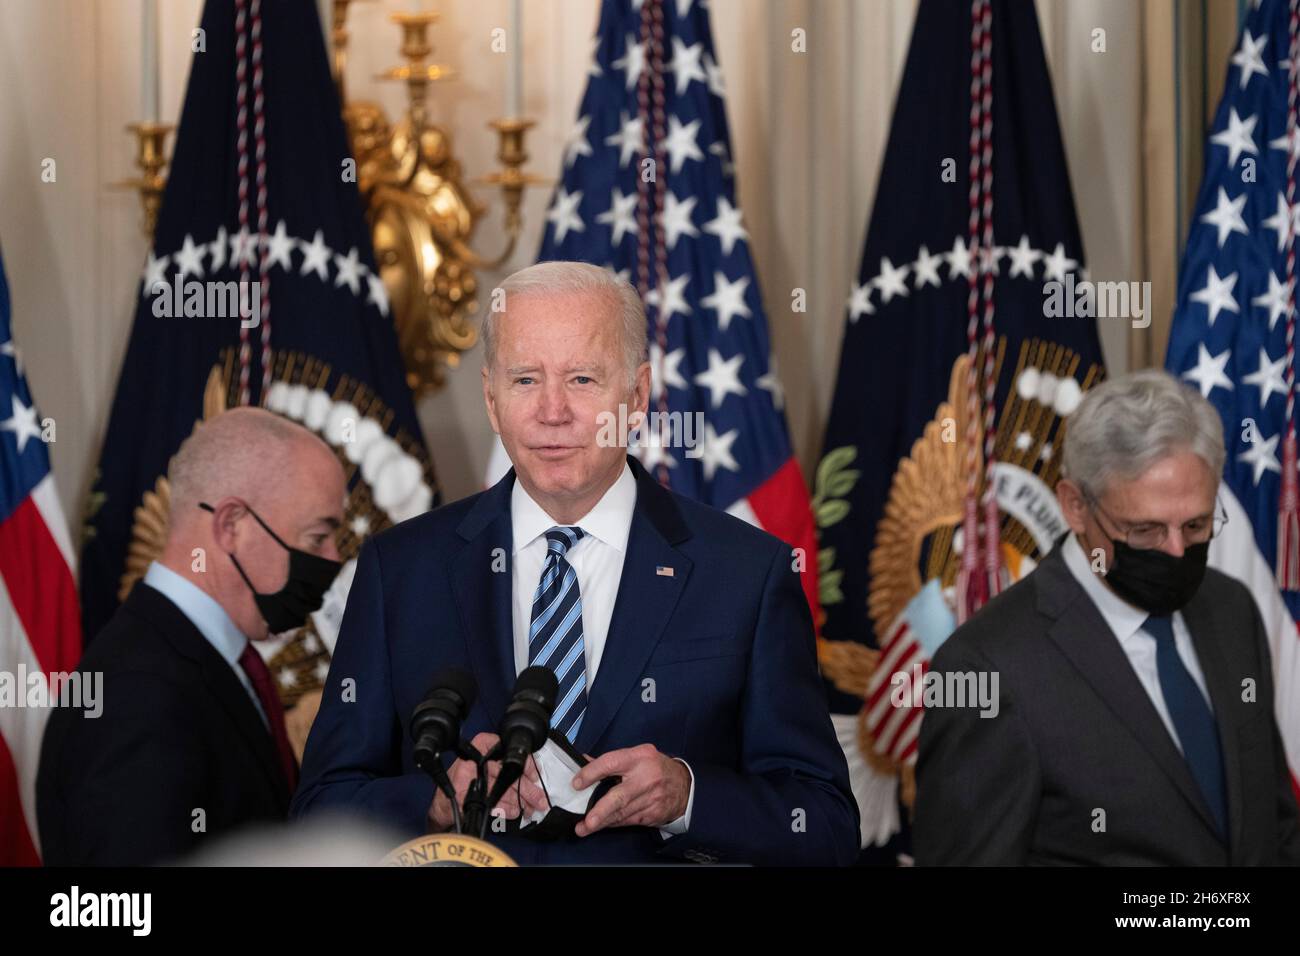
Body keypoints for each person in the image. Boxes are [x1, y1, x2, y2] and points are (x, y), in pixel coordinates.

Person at [293, 261, 858, 865]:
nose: (552, 411)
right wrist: (433, 803)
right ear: (491, 399)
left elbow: (824, 824)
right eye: (525, 380)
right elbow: (318, 811)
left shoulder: (747, 574)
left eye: (582, 379)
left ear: (636, 396)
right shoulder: (400, 571)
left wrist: (686, 797)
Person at [914, 369, 1300, 865]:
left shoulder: (1231, 609)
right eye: (1145, 530)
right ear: (1075, 506)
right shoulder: (987, 667)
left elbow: (1274, 826)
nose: (1176, 551)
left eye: (1196, 525)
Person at [37, 407, 346, 865]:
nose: (334, 559)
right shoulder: (137, 695)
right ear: (231, 525)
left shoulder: (204, 661)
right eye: (317, 537)